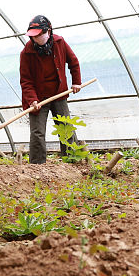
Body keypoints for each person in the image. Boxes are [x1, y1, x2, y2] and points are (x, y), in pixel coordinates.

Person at [19, 14, 82, 164]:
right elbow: (25, 81)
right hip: (38, 99)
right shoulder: (26, 53)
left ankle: (72, 160)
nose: (37, 38)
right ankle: (37, 165)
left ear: (49, 31)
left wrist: (76, 82)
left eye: (40, 34)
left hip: (59, 93)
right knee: (37, 132)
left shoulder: (60, 43)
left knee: (66, 127)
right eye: (34, 36)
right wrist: (32, 100)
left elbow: (73, 62)